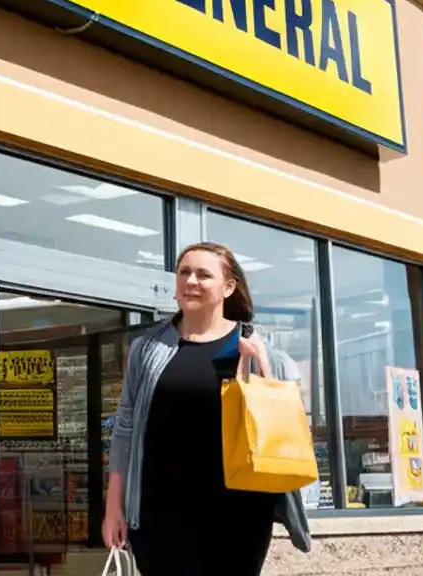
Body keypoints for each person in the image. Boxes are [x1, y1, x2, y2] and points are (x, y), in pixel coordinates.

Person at [102, 241, 312, 574]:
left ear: (229, 287)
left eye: (203, 274)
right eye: (184, 272)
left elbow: (284, 422)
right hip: (160, 513)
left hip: (238, 513)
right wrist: (114, 507)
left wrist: (263, 367)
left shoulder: (257, 350)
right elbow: (125, 430)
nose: (191, 281)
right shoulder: (147, 349)